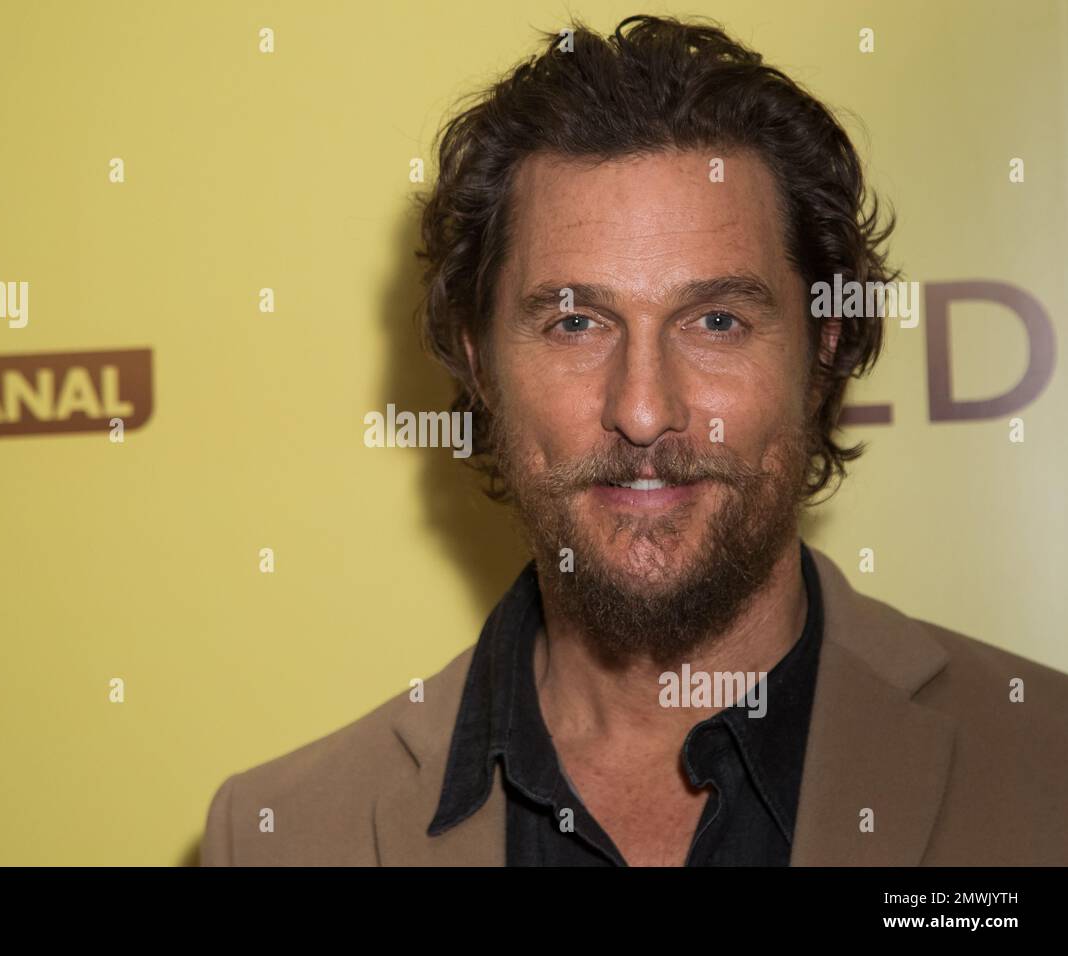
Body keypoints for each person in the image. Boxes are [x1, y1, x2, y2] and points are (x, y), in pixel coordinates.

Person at [200, 13, 1068, 866]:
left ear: (824, 347)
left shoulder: (1045, 766)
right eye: (576, 323)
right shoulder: (284, 834)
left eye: (716, 319)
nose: (645, 410)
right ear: (478, 363)